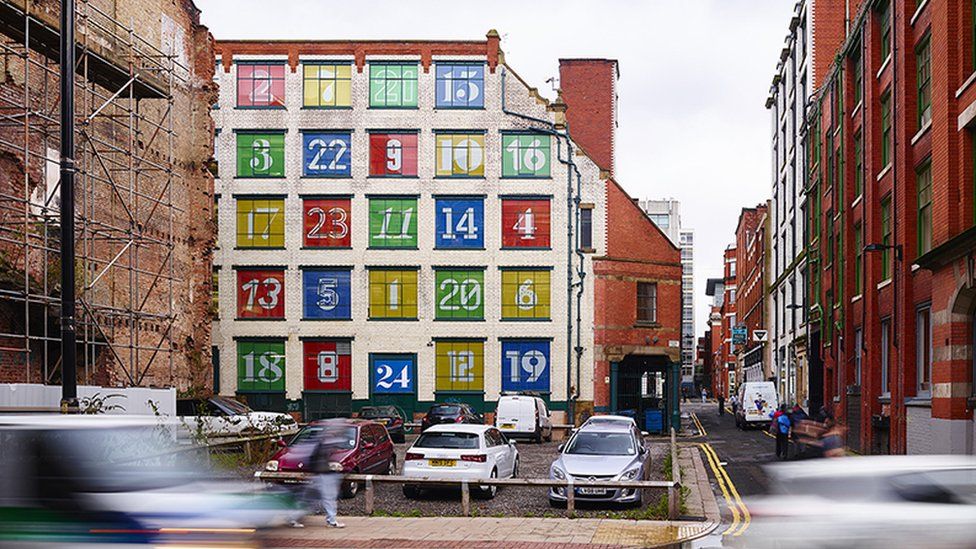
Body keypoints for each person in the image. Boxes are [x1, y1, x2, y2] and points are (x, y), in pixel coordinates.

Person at [309, 425, 347, 528]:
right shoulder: (323, 445)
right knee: (328, 498)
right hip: (323, 475)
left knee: (312, 498)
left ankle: (293, 517)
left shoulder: (321, 445)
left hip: (321, 474)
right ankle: (331, 521)